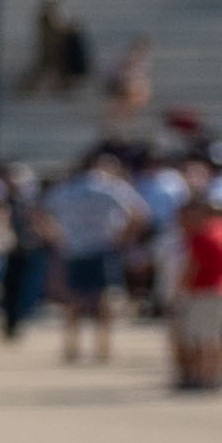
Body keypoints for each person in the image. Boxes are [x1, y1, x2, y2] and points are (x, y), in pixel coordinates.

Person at [47, 146, 146, 365]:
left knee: (73, 299)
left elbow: (43, 213)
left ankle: (71, 347)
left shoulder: (67, 188)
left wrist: (57, 237)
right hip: (102, 246)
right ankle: (102, 348)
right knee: (103, 299)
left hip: (74, 247)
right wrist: (124, 238)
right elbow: (139, 213)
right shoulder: (111, 188)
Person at [167, 182, 222, 394]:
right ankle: (217, 376)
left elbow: (191, 267)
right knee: (220, 335)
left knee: (203, 338)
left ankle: (204, 377)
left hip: (207, 290)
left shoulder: (204, 234)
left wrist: (178, 291)